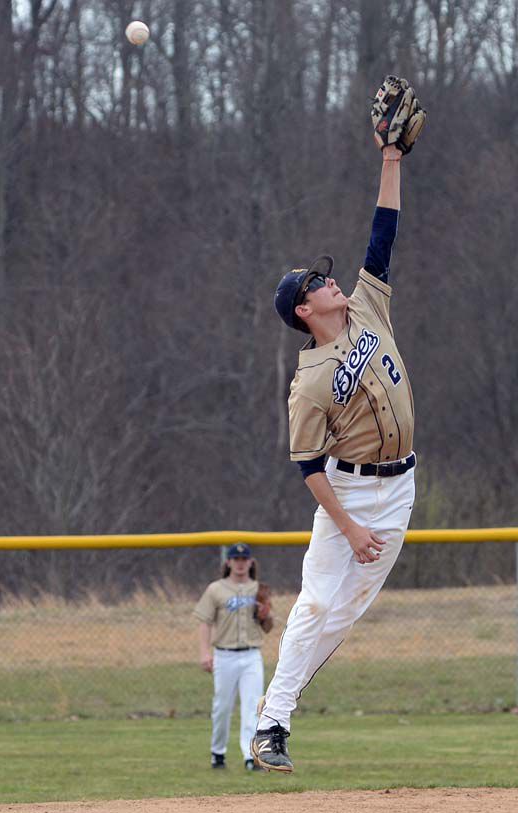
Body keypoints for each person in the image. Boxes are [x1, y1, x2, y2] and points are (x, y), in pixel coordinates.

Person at [251, 133, 416, 773]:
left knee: (341, 617)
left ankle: (275, 711)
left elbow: (384, 233)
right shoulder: (310, 379)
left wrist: (391, 159)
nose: (331, 280)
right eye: (319, 281)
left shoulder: (368, 306)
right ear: (303, 307)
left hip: (400, 488)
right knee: (316, 604)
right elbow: (306, 465)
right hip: (345, 494)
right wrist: (347, 526)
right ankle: (272, 726)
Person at [194, 543, 273, 772]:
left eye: (244, 559)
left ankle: (251, 756)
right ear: (228, 562)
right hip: (224, 655)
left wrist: (266, 615)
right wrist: (204, 653)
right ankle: (217, 753)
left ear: (250, 562)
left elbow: (268, 627)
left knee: (253, 706)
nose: (240, 563)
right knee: (222, 707)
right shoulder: (216, 589)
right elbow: (205, 622)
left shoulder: (259, 589)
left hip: (251, 655)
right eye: (236, 559)